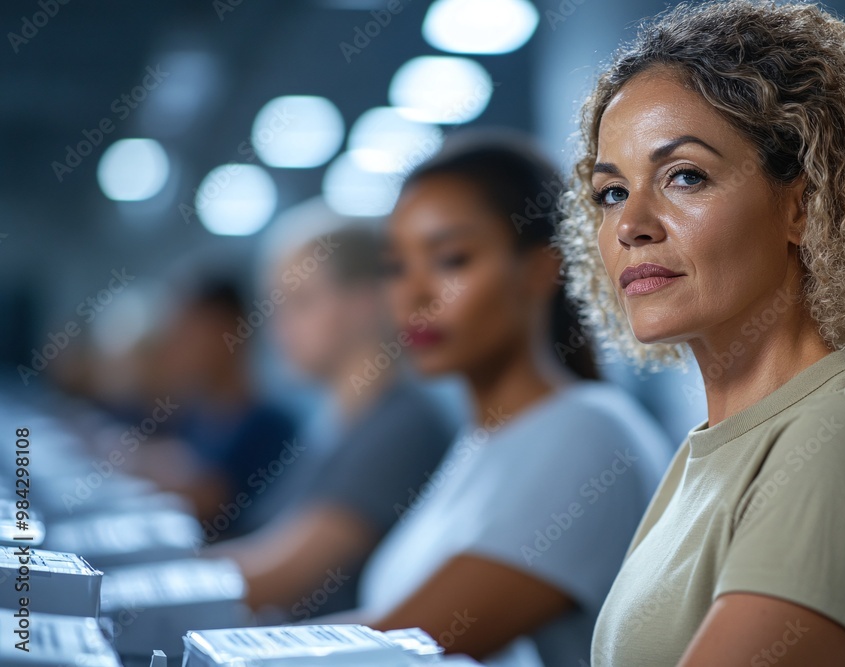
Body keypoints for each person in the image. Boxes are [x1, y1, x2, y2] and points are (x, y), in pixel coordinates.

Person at [556, 2, 845, 665]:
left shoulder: (842, 436)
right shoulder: (712, 449)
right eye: (611, 192)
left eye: (684, 176)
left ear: (803, 206)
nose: (630, 223)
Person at [334, 134, 672, 666]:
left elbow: (399, 648)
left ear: (540, 268)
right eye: (395, 267)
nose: (413, 295)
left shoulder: (587, 435)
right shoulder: (481, 439)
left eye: (451, 259)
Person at [209, 225, 455, 618]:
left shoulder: (402, 426)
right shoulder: (335, 421)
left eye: (300, 302)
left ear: (364, 303)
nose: (279, 328)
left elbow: (280, 576)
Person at [135, 278, 297, 540]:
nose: (177, 348)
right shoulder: (196, 414)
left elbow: (207, 501)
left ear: (230, 333)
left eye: (190, 334)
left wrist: (135, 465)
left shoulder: (270, 425)